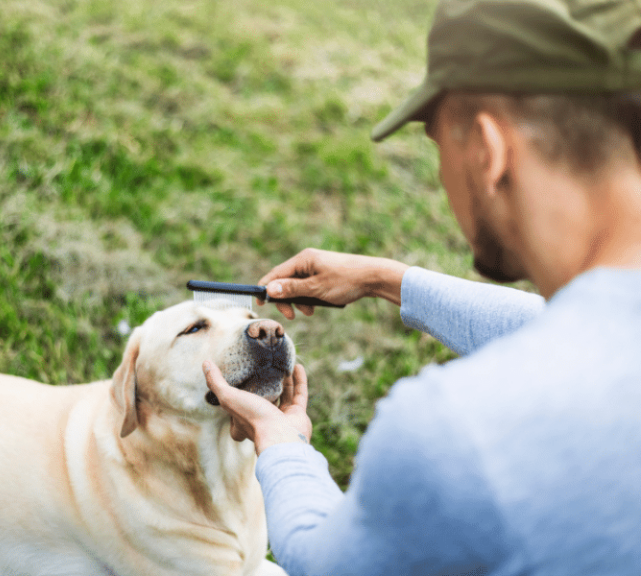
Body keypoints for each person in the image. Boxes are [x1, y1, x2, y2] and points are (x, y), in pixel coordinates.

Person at [203, 0, 641, 575]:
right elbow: (581, 332)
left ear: (487, 151)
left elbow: (329, 564)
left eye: (439, 147)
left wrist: (281, 444)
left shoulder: (460, 434)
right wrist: (385, 280)